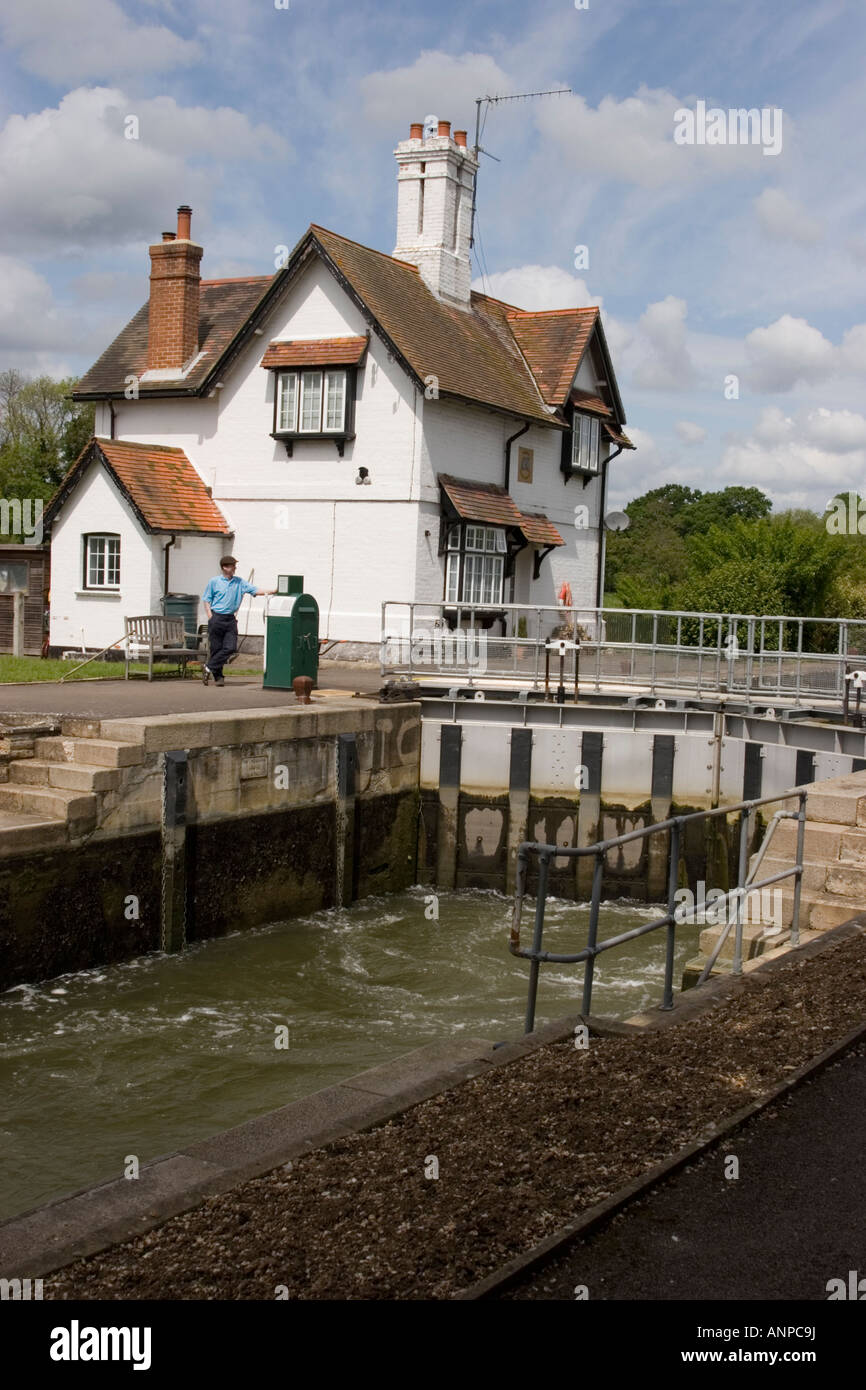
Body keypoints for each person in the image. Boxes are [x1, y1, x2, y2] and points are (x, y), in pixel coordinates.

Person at [202, 556, 274, 686]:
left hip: (230, 619)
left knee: (230, 647)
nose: (235, 568)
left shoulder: (239, 582)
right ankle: (218, 677)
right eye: (232, 565)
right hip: (216, 617)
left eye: (234, 565)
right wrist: (209, 615)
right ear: (225, 567)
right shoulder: (214, 581)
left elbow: (256, 590)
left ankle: (208, 667)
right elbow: (206, 599)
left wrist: (274, 590)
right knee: (216, 649)